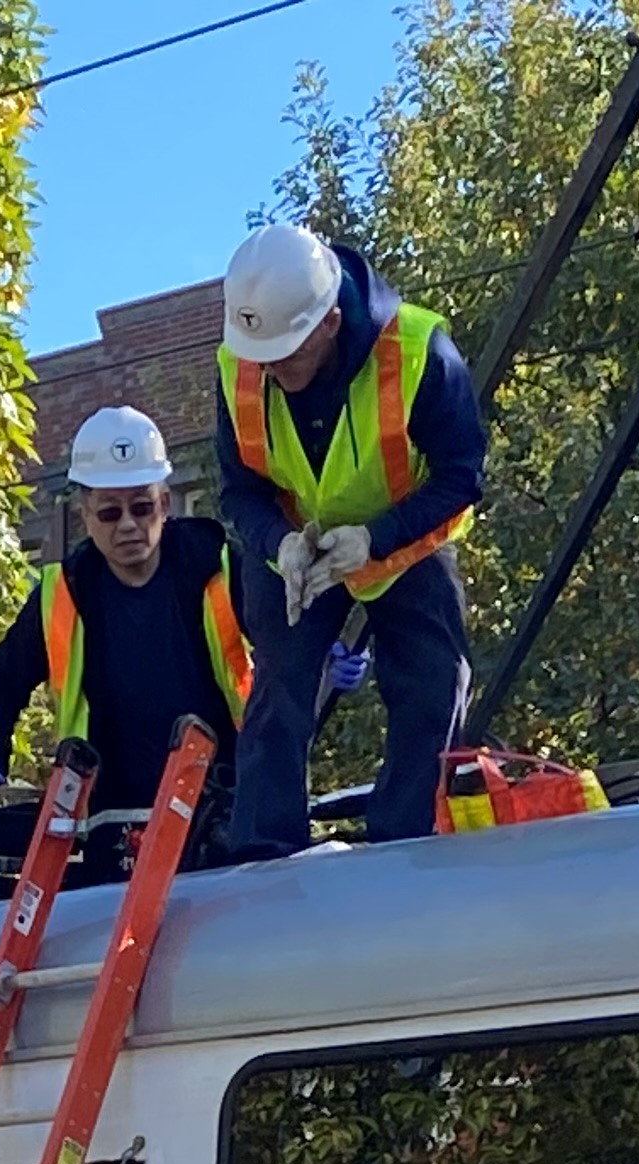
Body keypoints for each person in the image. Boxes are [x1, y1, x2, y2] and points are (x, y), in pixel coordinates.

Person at [209, 220, 488, 857]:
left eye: (288, 352)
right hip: (295, 544)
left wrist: (377, 538)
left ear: (330, 322)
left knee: (433, 677)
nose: (273, 370)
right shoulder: (241, 367)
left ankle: (407, 839)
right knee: (279, 682)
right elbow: (238, 489)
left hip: (402, 536)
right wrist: (279, 544)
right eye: (262, 356)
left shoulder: (420, 351)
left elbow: (462, 475)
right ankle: (262, 850)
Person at [0, 404, 247, 831]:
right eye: (110, 513)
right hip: (112, 822)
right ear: (86, 518)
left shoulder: (217, 564)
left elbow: (287, 637)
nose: (129, 525)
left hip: (225, 807)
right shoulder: (67, 591)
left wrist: (324, 661)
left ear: (165, 504)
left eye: (142, 507)